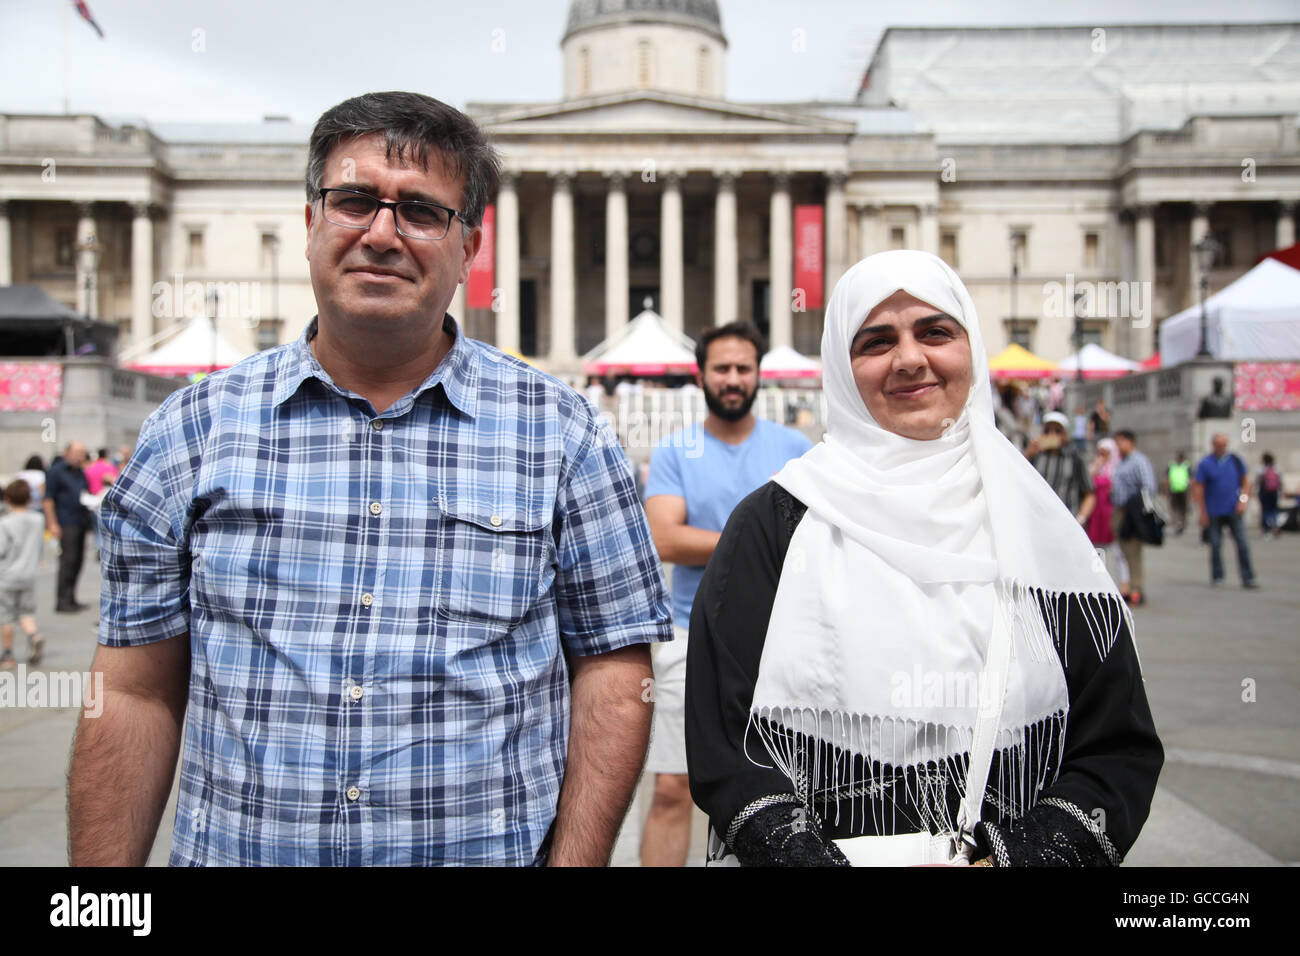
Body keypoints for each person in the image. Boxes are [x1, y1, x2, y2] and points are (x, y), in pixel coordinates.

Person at [69, 91, 672, 867]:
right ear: (310, 221)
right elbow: (131, 691)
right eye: (354, 201)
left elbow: (615, 672)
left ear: (469, 248)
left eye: (421, 211)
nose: (382, 235)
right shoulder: (191, 428)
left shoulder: (565, 432)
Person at [686, 250, 1161, 867]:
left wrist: (1019, 859)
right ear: (841, 365)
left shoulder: (1038, 528)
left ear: (972, 350)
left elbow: (1114, 744)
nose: (910, 359)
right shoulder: (774, 524)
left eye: (935, 332)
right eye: (876, 341)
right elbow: (725, 733)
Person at [640, 321, 812, 867]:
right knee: (672, 788)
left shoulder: (796, 448)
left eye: (743, 368)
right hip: (692, 634)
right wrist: (759, 542)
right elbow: (665, 537)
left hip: (784, 640)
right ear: (702, 376)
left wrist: (715, 543)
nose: (733, 379)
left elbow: (815, 541)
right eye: (722, 368)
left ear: (759, 374)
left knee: (788, 794)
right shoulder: (676, 450)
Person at [1192, 434, 1257, 589]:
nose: (1221, 447)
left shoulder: (1235, 461)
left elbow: (1246, 483)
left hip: (1234, 509)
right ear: (1213, 445)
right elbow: (1198, 488)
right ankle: (1218, 575)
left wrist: (1243, 501)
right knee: (1215, 544)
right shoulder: (1206, 463)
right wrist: (1202, 512)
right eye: (1218, 444)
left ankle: (1247, 576)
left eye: (1224, 444)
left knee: (1242, 543)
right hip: (1213, 510)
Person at [0, 480, 46, 670]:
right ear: (29, 498)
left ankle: (8, 655)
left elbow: (1, 549)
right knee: (27, 612)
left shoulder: (5, 522)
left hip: (7, 575)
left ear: (7, 499)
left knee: (7, 616)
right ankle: (34, 635)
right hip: (29, 573)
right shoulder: (37, 519)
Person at [42, 441, 92, 613]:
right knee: (68, 561)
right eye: (77, 452)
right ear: (67, 452)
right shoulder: (56, 471)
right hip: (65, 521)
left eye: (82, 453)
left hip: (80, 520)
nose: (79, 456)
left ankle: (71, 597)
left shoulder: (80, 472)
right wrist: (52, 523)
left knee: (78, 561)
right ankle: (62, 600)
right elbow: (48, 499)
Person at [1110, 430, 1157, 607]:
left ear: (1129, 442)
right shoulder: (1122, 461)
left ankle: (1137, 588)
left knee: (1133, 552)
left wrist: (1136, 508)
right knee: (1123, 552)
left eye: (1120, 442)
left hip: (1132, 513)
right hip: (1119, 511)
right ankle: (1127, 586)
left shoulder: (1139, 461)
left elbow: (1149, 487)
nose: (1117, 446)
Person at [1023, 411, 1095, 526]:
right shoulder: (1036, 456)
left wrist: (1080, 520)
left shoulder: (1075, 458)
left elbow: (1089, 493)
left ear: (1065, 434)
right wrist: (1028, 453)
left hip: (1066, 524)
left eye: (1057, 431)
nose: (1052, 434)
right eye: (1047, 431)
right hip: (1038, 522)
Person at [1087, 438, 1128, 588]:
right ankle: (1098, 583)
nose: (1103, 455)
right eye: (1101, 452)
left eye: (1106, 452)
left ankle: (1124, 583)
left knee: (1118, 551)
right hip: (1096, 514)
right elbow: (1088, 481)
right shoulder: (1095, 467)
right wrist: (1098, 464)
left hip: (1112, 512)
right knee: (1097, 550)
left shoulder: (1118, 468)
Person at [1257, 452, 1283, 539]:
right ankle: (1275, 525)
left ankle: (1266, 530)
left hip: (1264, 492)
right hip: (1274, 492)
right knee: (1274, 510)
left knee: (1265, 510)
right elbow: (1281, 482)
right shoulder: (1277, 468)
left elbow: (1257, 481)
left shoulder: (1261, 469)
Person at [1166, 451, 1192, 535]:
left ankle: (1182, 523)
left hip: (1184, 490)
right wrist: (1166, 491)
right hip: (1174, 490)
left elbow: (1191, 479)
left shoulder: (1186, 466)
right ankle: (1177, 523)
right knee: (1175, 508)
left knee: (1183, 508)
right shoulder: (1172, 466)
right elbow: (1167, 479)